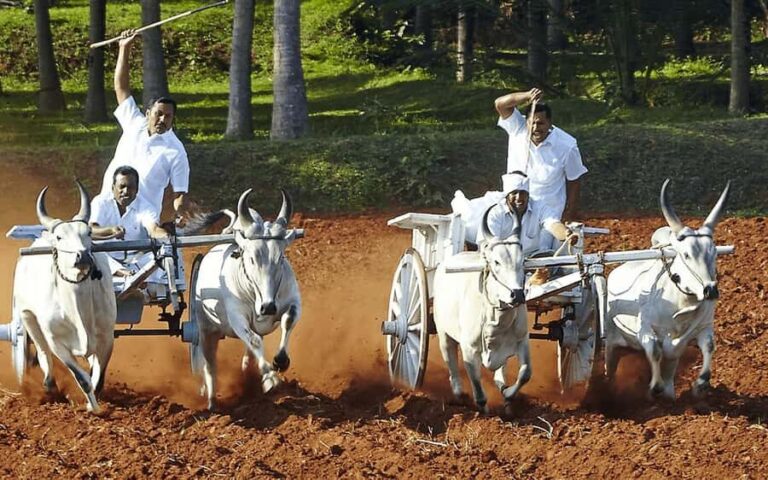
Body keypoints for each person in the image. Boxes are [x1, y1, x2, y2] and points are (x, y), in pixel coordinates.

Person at [100, 29, 190, 225]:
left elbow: (179, 192)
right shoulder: (134, 122)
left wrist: (180, 212)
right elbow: (121, 88)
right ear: (148, 113)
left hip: (142, 221)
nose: (162, 119)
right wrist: (125, 48)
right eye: (158, 114)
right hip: (106, 209)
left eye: (168, 116)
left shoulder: (176, 151)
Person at [494, 87, 587, 222]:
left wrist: (570, 213)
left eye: (541, 123)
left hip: (549, 213)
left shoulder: (567, 145)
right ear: (526, 121)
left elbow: (574, 180)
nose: (536, 128)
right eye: (532, 123)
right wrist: (527, 95)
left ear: (550, 123)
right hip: (514, 209)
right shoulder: (517, 128)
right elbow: (500, 104)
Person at [481, 171, 577, 285]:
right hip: (505, 262)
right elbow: (488, 245)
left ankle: (534, 279)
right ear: (507, 196)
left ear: (528, 194)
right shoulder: (495, 213)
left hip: (532, 260)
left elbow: (552, 223)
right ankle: (531, 282)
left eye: (523, 193)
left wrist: (566, 234)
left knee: (550, 262)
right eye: (514, 193)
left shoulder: (539, 206)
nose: (519, 198)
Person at [91, 165, 169, 277]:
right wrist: (110, 231)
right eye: (121, 187)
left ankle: (147, 285)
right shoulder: (100, 203)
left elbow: (153, 229)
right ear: (113, 188)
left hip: (136, 261)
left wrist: (166, 236)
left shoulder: (146, 207)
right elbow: (91, 230)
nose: (126, 191)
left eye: (131, 187)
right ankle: (123, 273)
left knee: (160, 256)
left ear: (137, 190)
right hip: (106, 259)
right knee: (91, 252)